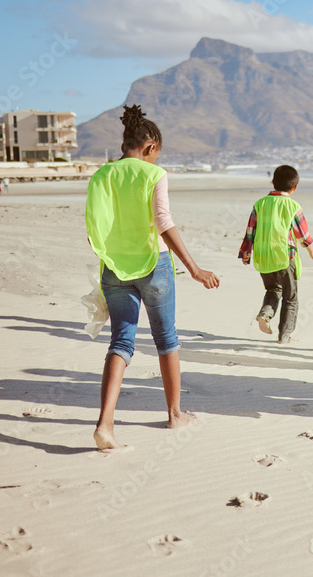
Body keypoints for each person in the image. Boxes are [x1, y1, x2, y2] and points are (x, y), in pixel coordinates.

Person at [85, 105, 220, 451]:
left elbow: (93, 230)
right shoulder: (153, 174)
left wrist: (111, 256)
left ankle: (105, 424)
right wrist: (194, 268)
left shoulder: (101, 176)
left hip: (113, 267)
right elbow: (163, 222)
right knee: (166, 338)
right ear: (149, 147)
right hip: (154, 264)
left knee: (121, 342)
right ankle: (174, 414)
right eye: (155, 154)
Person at [239, 165, 313, 343]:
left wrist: (246, 252)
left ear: (272, 182)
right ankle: (285, 336)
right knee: (290, 297)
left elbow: (250, 230)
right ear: (294, 187)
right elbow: (302, 234)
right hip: (285, 257)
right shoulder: (292, 205)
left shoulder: (259, 204)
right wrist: (312, 251)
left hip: (263, 256)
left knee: (272, 289)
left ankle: (265, 314)